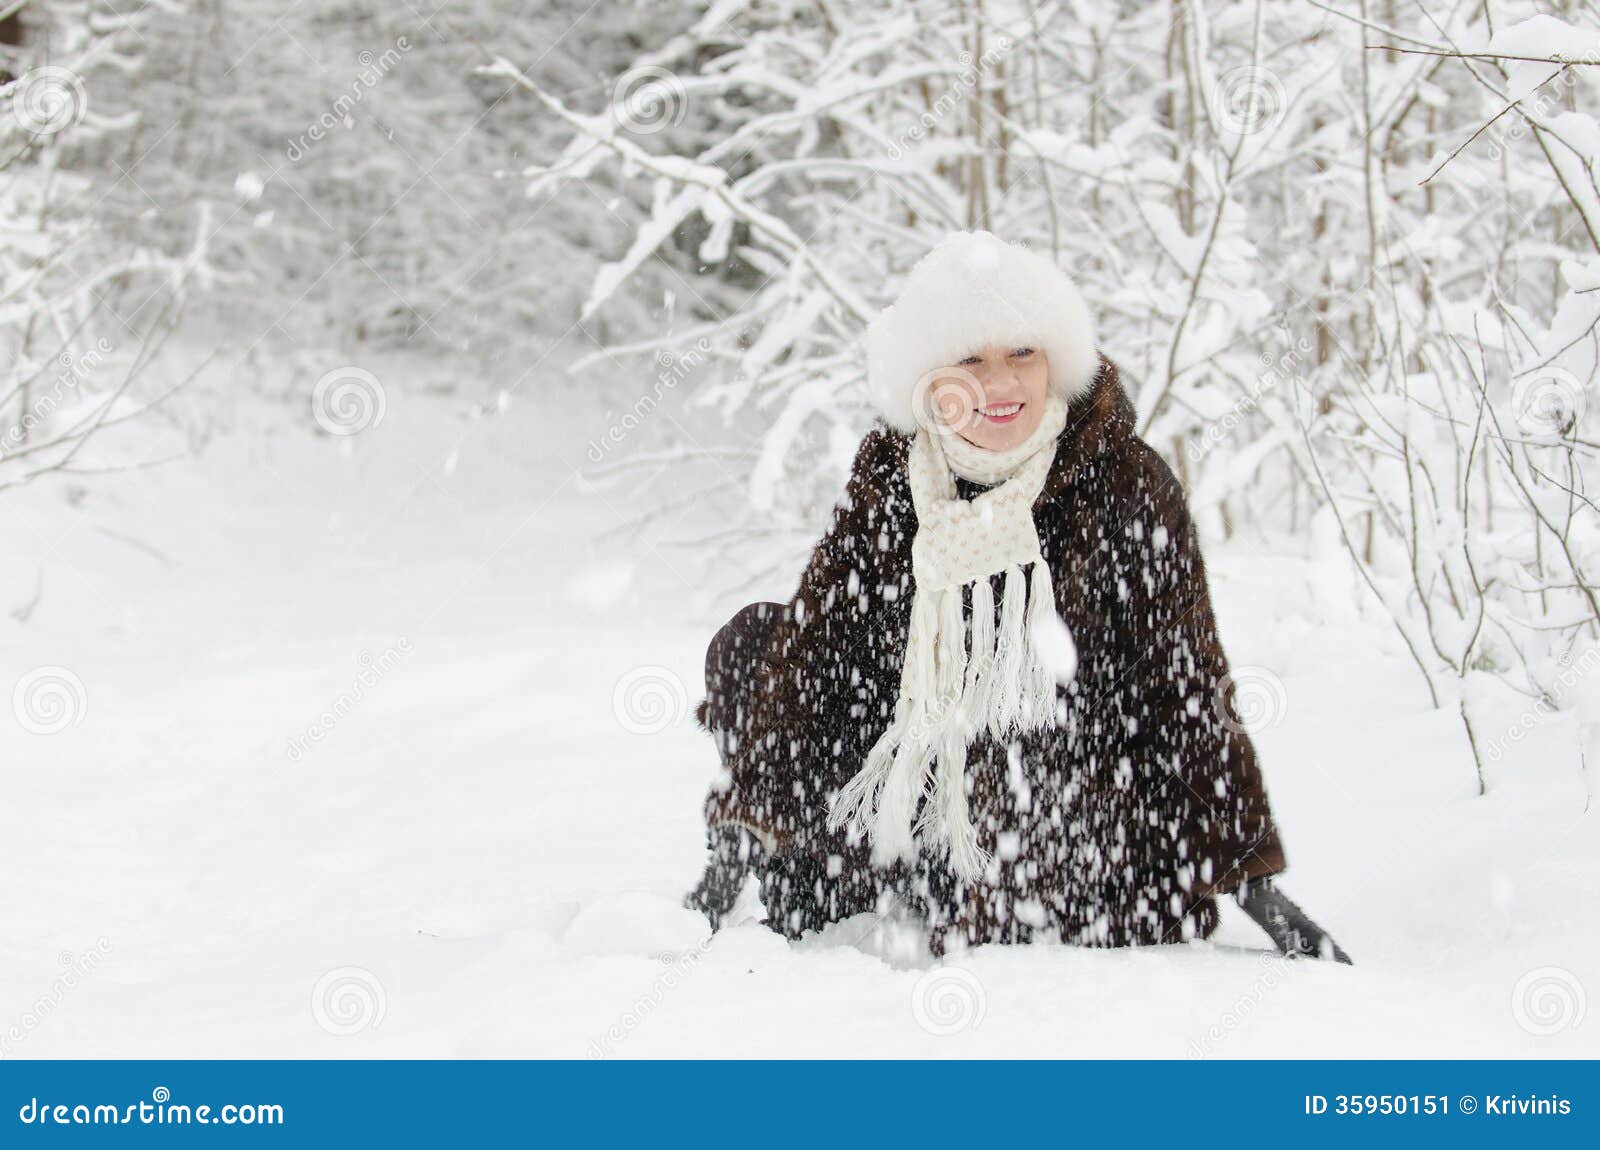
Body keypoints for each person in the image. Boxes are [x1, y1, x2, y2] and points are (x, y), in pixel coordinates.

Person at [684, 230, 1350, 963]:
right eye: (970, 359)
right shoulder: (894, 475)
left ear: (1056, 361)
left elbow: (1184, 687)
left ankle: (980, 902)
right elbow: (817, 648)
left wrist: (1252, 881)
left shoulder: (1124, 481)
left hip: (1081, 813)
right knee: (758, 643)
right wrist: (745, 829)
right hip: (931, 792)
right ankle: (833, 875)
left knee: (1006, 705)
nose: (999, 385)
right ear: (929, 376)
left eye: (1022, 355)